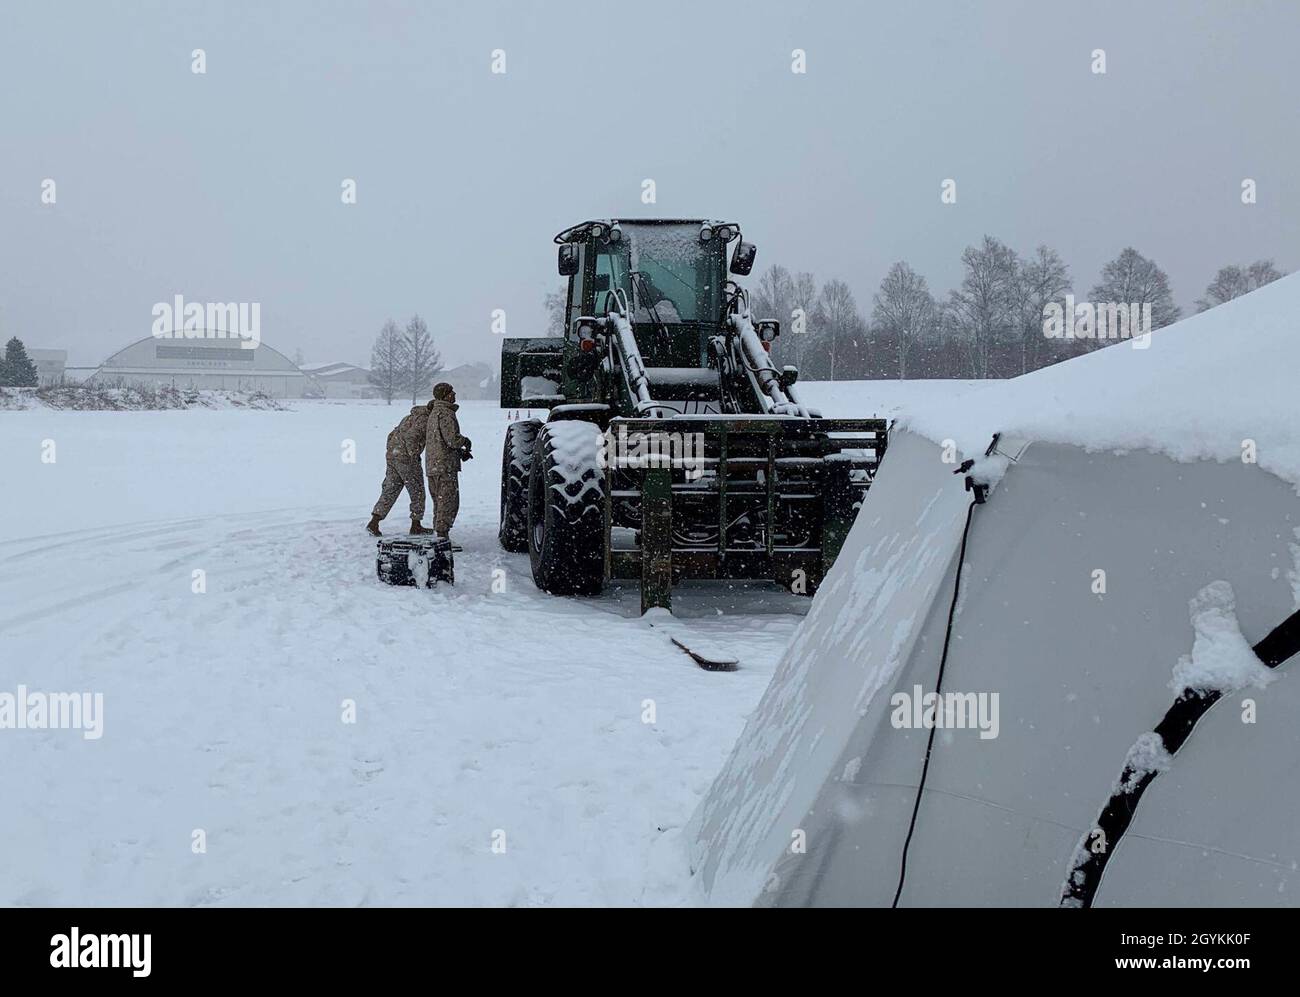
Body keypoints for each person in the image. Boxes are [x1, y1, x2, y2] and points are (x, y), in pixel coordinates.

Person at [366, 399, 435, 536]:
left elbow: (392, 434)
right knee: (417, 491)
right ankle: (416, 525)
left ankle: (374, 521)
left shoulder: (410, 417)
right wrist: (413, 455)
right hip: (406, 459)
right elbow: (411, 437)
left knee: (390, 489)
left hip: (393, 455)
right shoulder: (426, 420)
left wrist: (392, 451)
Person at [425, 382, 472, 540]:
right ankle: (442, 537)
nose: (454, 394)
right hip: (445, 466)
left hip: (433, 465)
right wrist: (465, 442)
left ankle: (439, 536)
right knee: (448, 502)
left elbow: (441, 440)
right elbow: (451, 439)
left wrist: (459, 453)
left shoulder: (433, 412)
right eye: (451, 392)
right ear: (445, 395)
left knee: (439, 502)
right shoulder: (445, 412)